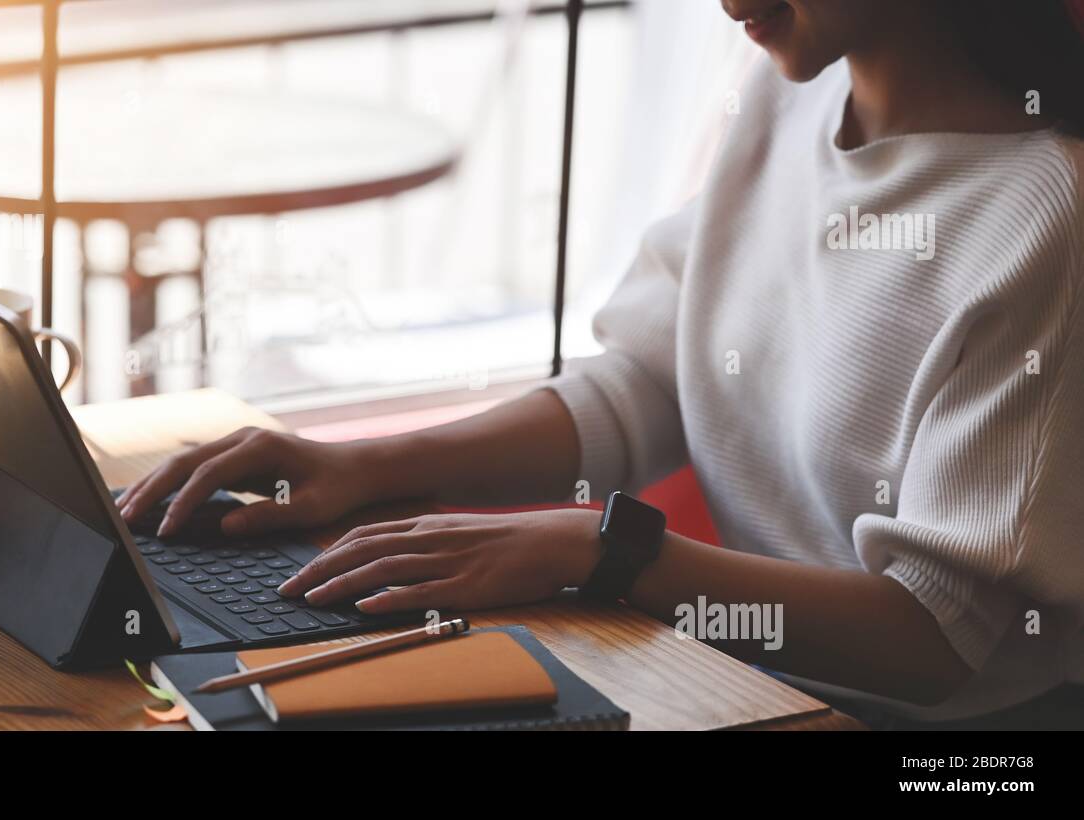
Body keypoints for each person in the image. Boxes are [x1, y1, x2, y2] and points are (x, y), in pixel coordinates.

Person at [117, 0, 1084, 725]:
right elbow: (648, 386)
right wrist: (365, 464)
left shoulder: (1044, 219)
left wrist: (607, 553)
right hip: (728, 675)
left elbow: (934, 638)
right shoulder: (786, 100)